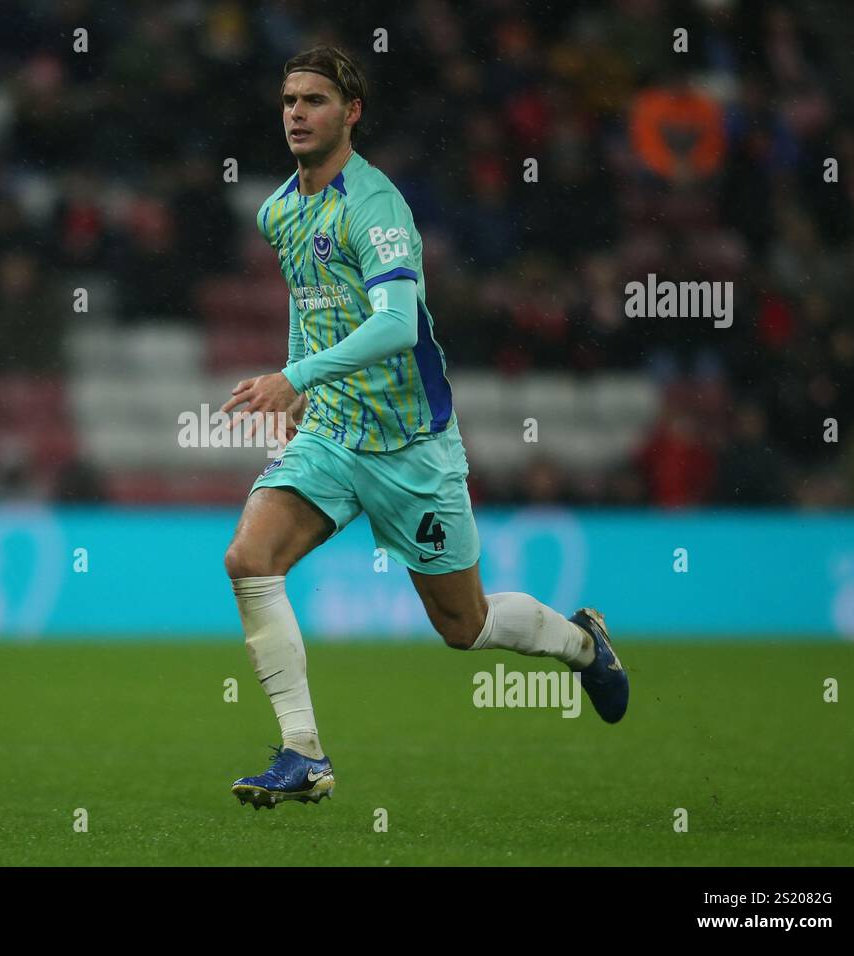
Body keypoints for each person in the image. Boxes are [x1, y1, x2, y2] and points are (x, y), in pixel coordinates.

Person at [220, 46, 628, 810]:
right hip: (336, 436)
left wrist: (294, 377)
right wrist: (303, 380)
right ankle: (302, 754)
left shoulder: (375, 206)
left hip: (412, 448)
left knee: (463, 626)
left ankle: (581, 643)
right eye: (288, 101)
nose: (297, 114)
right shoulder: (280, 209)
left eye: (314, 100)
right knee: (248, 557)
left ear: (352, 112)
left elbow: (399, 324)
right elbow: (310, 307)